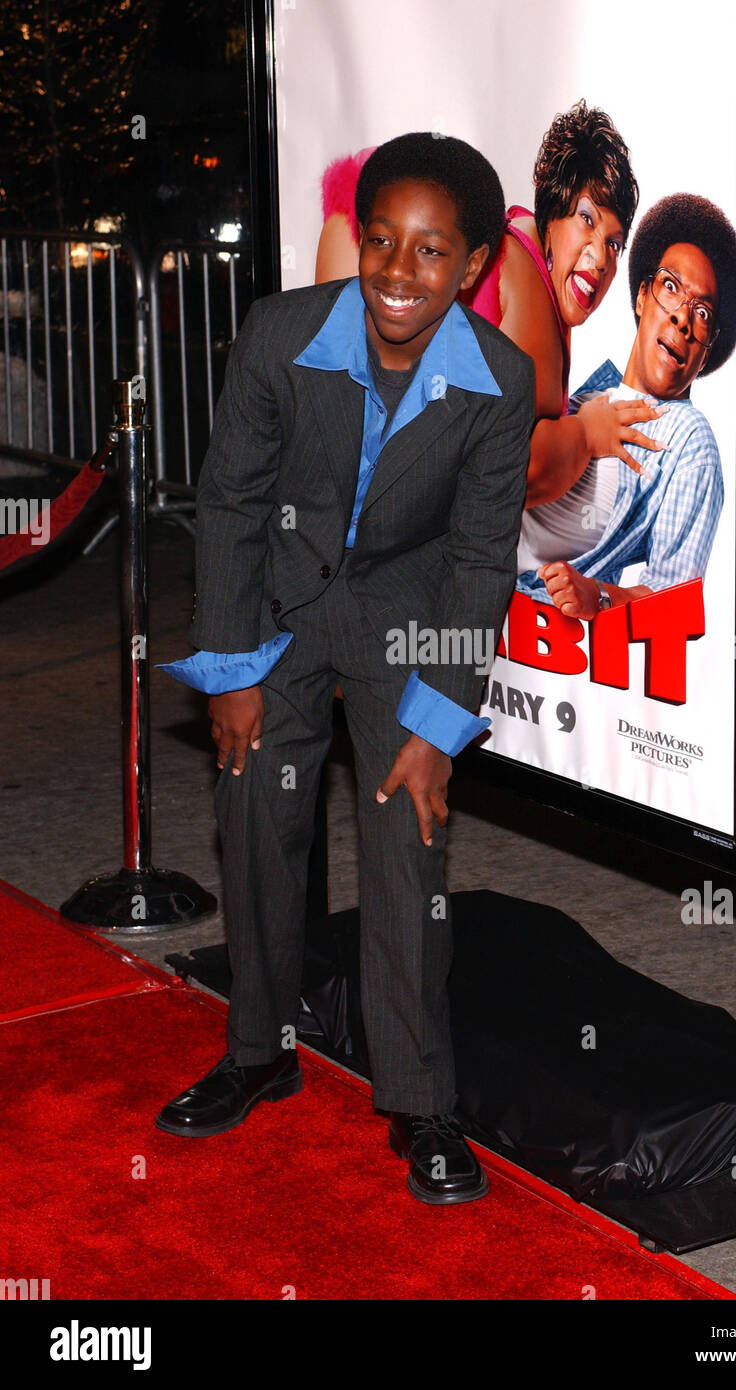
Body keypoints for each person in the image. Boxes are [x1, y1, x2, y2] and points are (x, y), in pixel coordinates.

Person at [154, 133, 535, 1207]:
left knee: (408, 839)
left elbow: (474, 561)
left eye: (428, 252)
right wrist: (230, 671)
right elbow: (230, 503)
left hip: (406, 619)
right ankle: (258, 1050)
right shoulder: (280, 335)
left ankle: (420, 1101)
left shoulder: (500, 382)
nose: (396, 274)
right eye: (379, 242)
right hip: (278, 601)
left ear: (471, 268)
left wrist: (435, 724)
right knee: (258, 825)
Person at [315, 103, 666, 505]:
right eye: (586, 219)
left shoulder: (530, 260)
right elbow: (514, 471)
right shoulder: (527, 277)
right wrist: (586, 434)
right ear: (552, 213)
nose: (601, 258)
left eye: (614, 242)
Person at [515, 193, 736, 618]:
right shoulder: (584, 393)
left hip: (531, 634)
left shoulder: (688, 439)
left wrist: (597, 596)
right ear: (641, 297)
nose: (682, 320)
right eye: (670, 287)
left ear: (706, 352)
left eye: (703, 312)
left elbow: (676, 600)